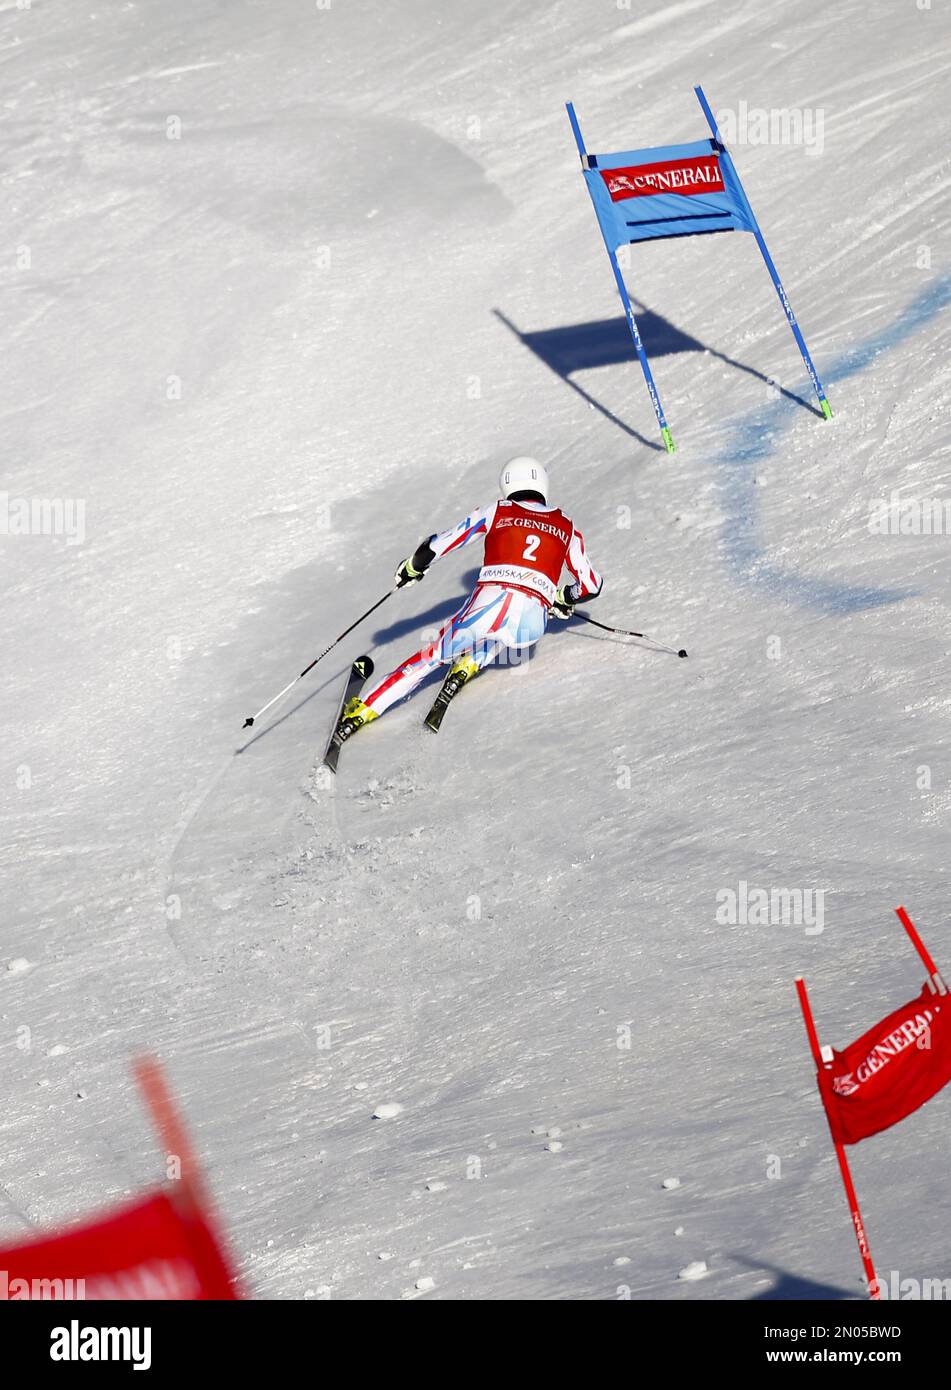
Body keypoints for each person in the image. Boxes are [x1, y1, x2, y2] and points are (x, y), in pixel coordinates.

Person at [333, 456, 603, 740]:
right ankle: (469, 664)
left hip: (489, 602)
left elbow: (441, 544)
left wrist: (412, 567)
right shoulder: (566, 525)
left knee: (432, 657)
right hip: (532, 623)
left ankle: (363, 710)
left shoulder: (497, 510)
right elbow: (591, 585)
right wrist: (564, 597)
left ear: (507, 485)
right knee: (504, 633)